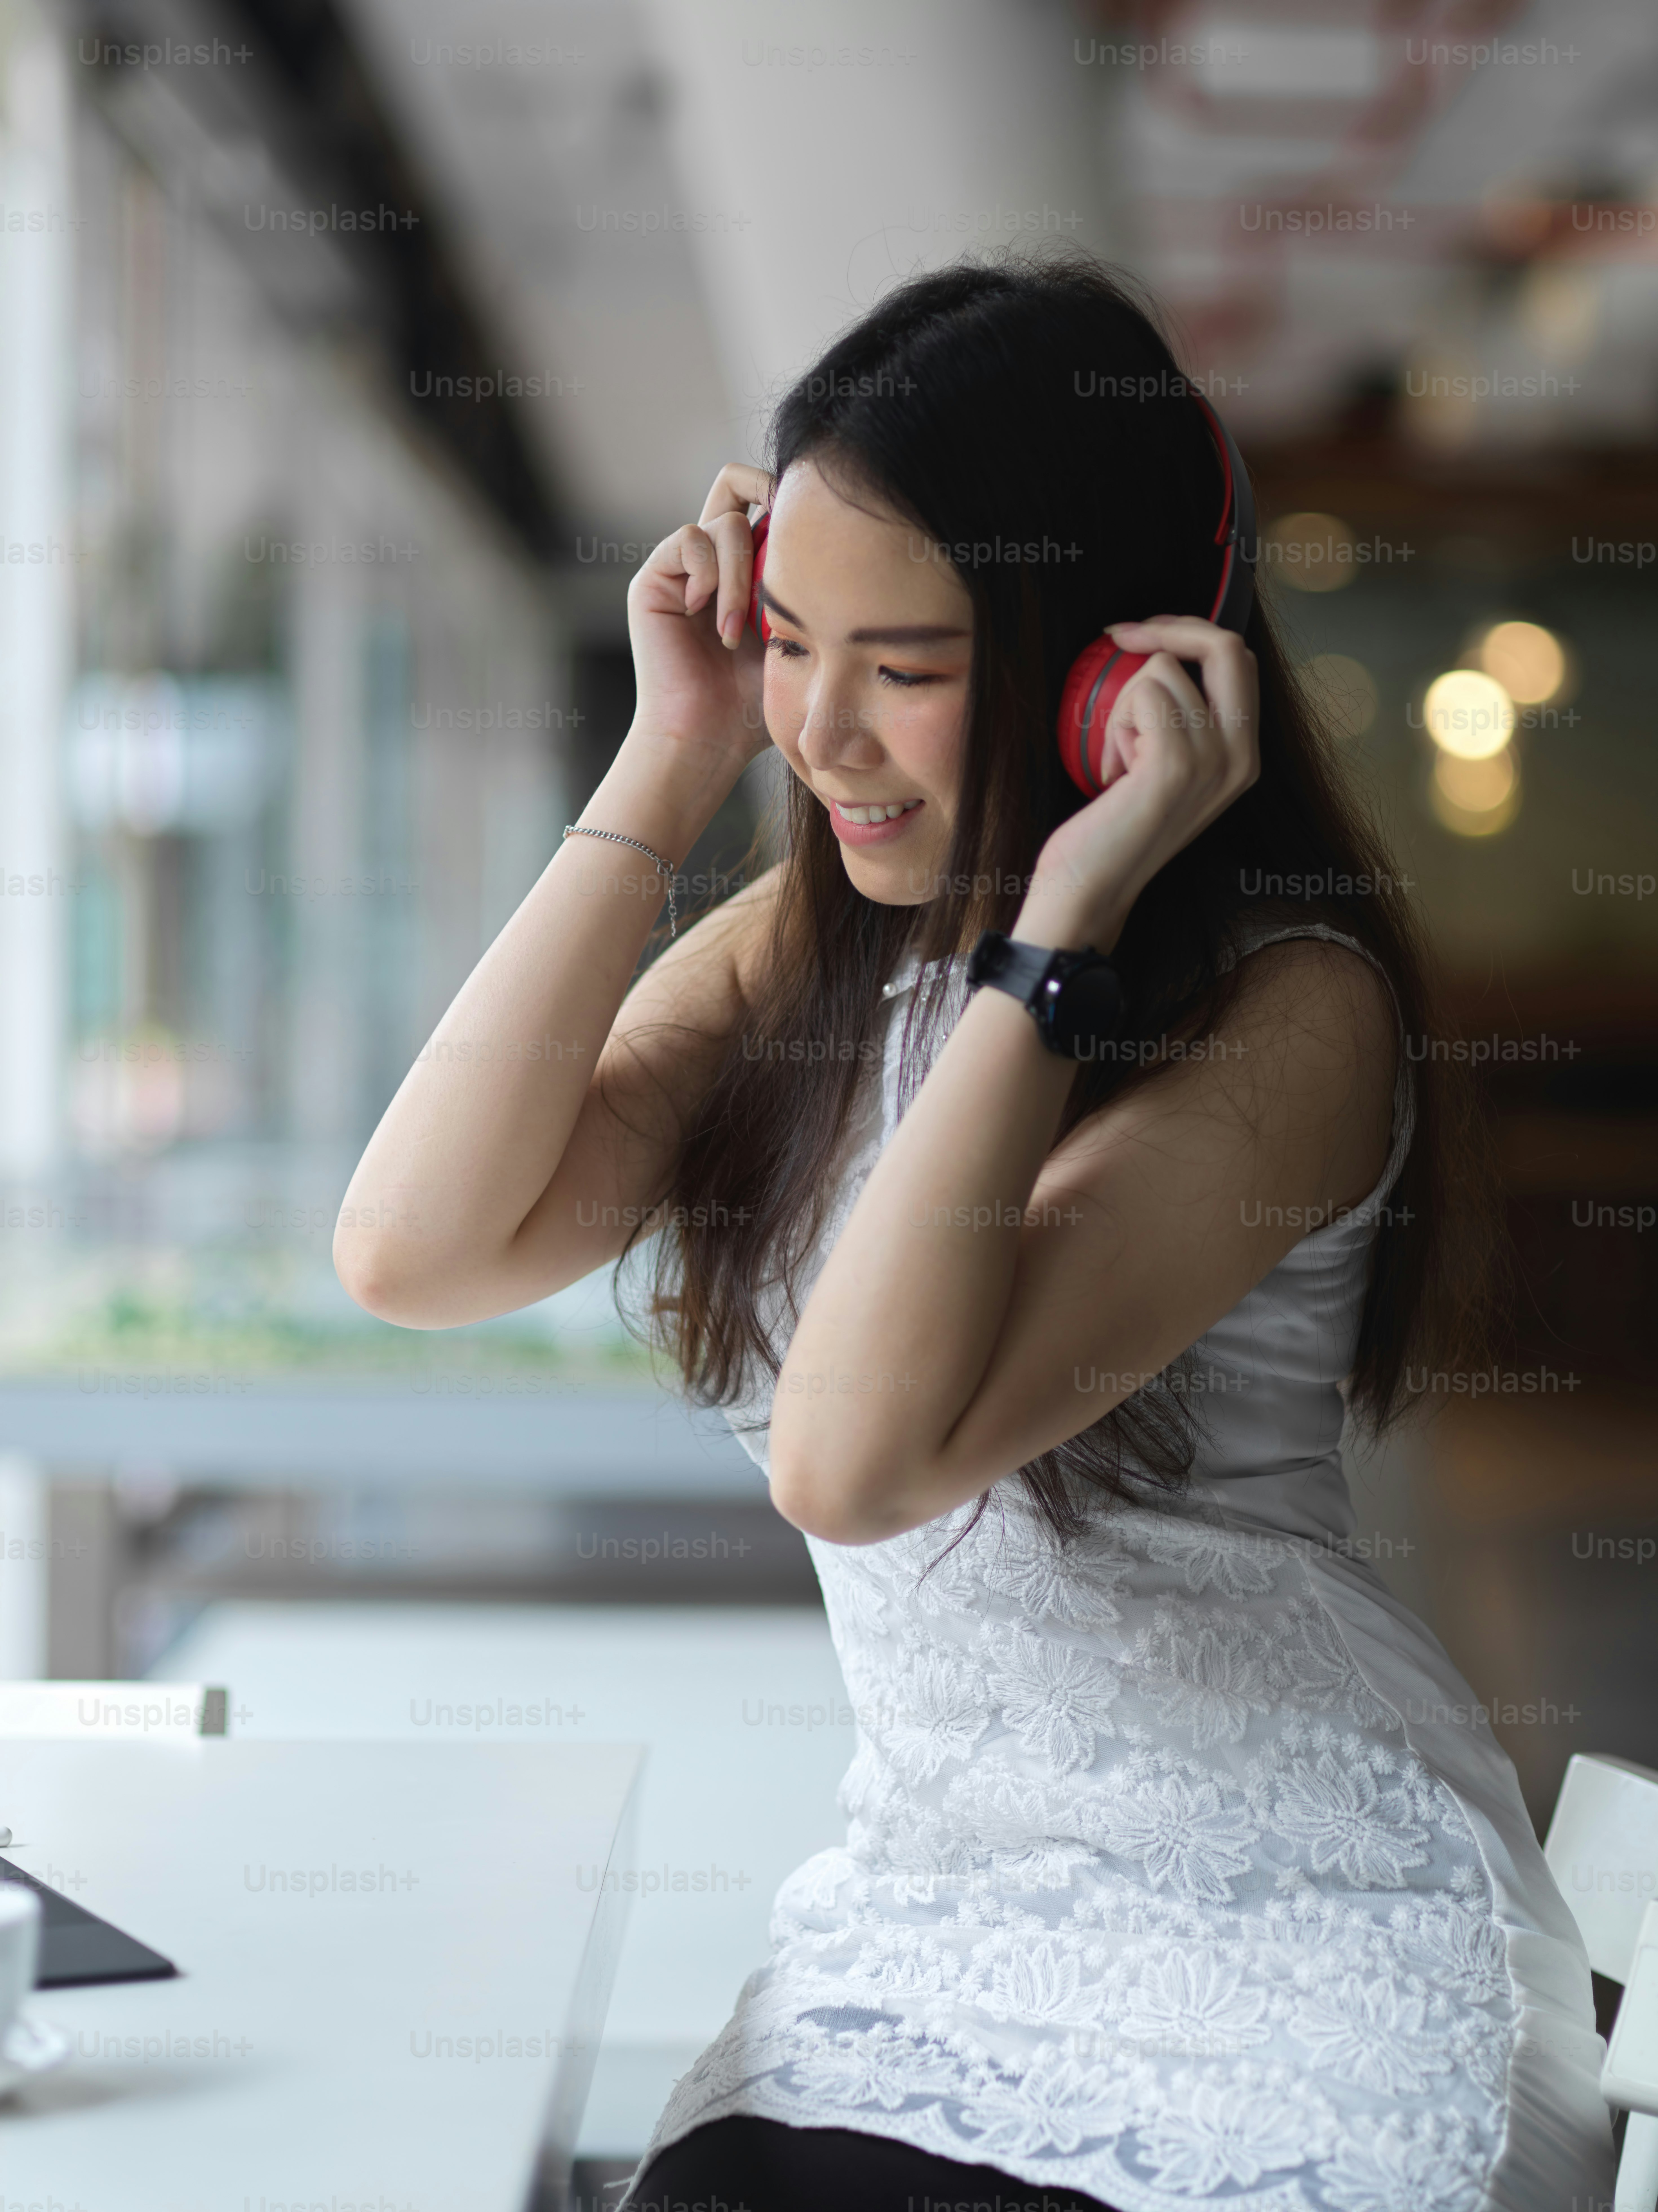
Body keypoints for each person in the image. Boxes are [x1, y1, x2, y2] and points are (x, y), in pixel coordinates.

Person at [334, 255, 1614, 2212]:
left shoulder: (1291, 1009)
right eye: (786, 643)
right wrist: (673, 755)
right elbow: (415, 1251)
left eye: (906, 668)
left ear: (1110, 673)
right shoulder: (804, 944)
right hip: (932, 1924)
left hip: (1306, 1946)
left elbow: (860, 1460)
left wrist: (1061, 935)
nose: (825, 735)